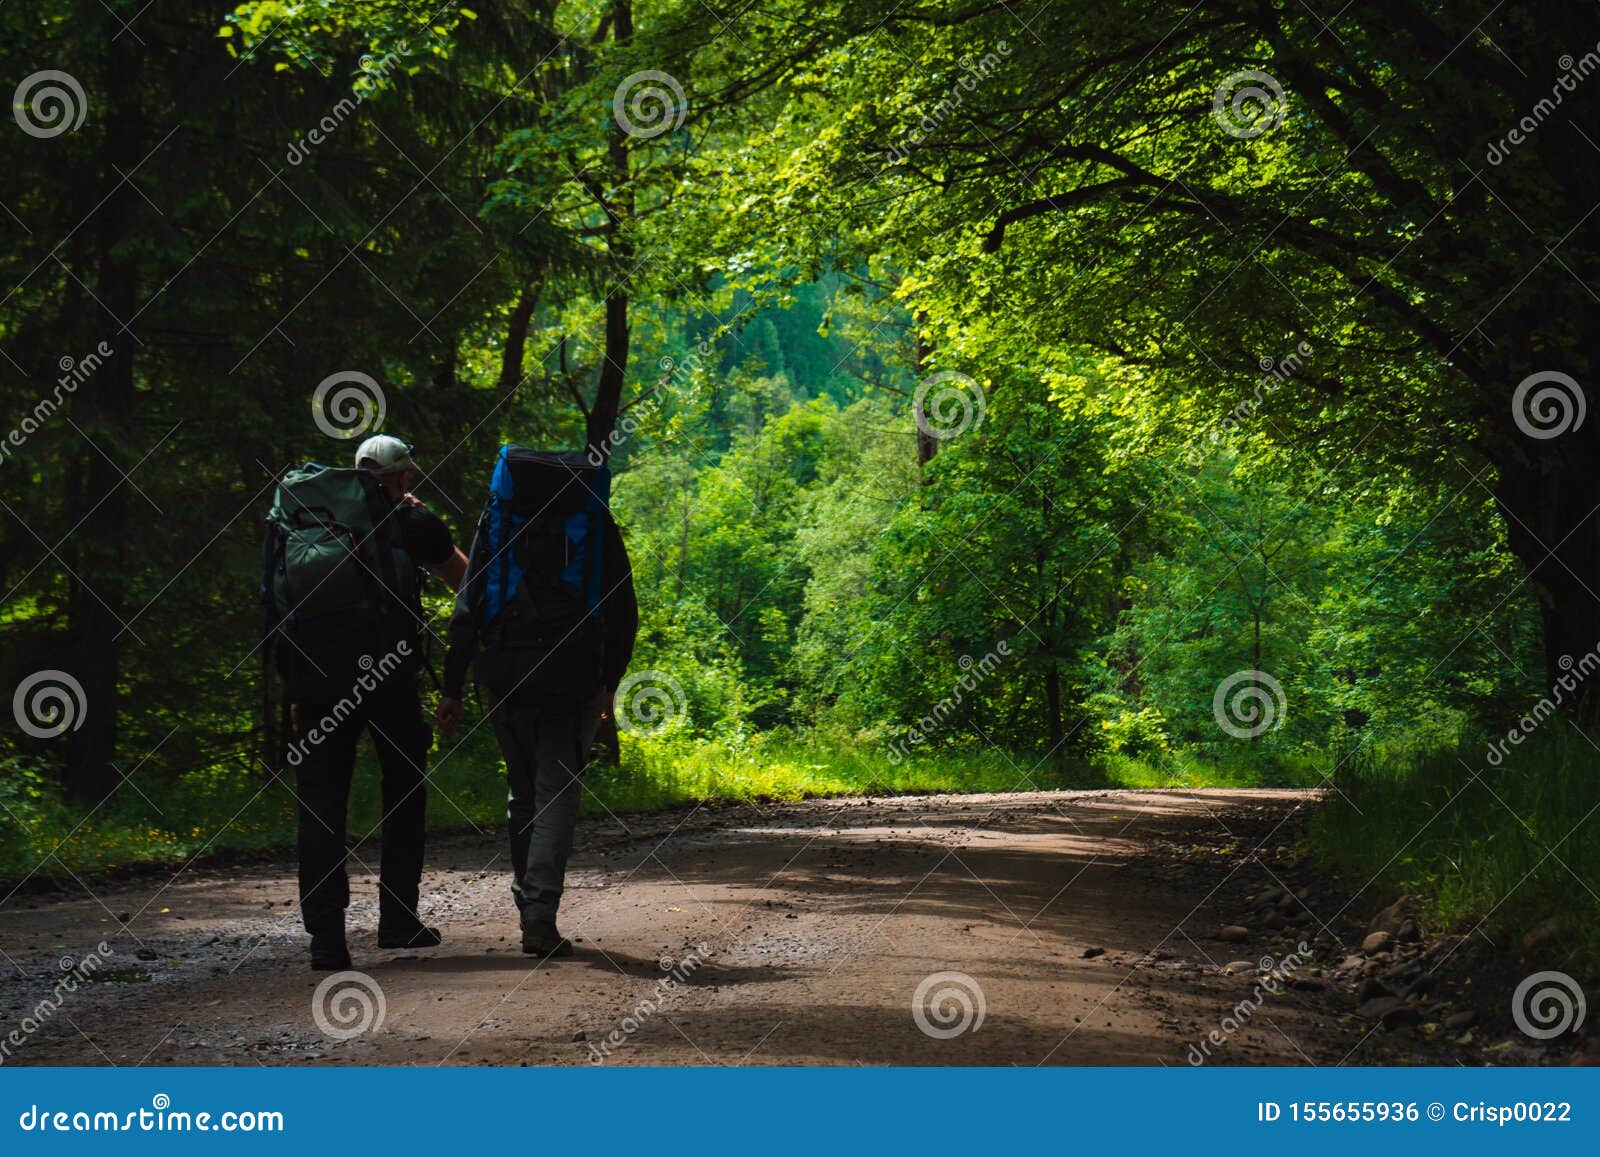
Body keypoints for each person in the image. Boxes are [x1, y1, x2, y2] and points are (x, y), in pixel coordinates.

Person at [277, 434, 468, 970]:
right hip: (387, 677)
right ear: (403, 476)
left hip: (316, 681)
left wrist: (294, 690)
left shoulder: (308, 524)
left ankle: (326, 942)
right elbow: (468, 582)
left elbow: (281, 610)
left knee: (320, 804)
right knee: (403, 791)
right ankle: (398, 920)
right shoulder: (414, 521)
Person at [435, 451, 636, 958]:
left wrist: (452, 687)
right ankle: (539, 916)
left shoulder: (499, 520)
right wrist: (610, 682)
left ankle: (528, 901)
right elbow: (622, 608)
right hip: (573, 675)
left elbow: (468, 607)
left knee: (523, 791)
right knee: (557, 794)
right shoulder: (591, 521)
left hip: (505, 673)